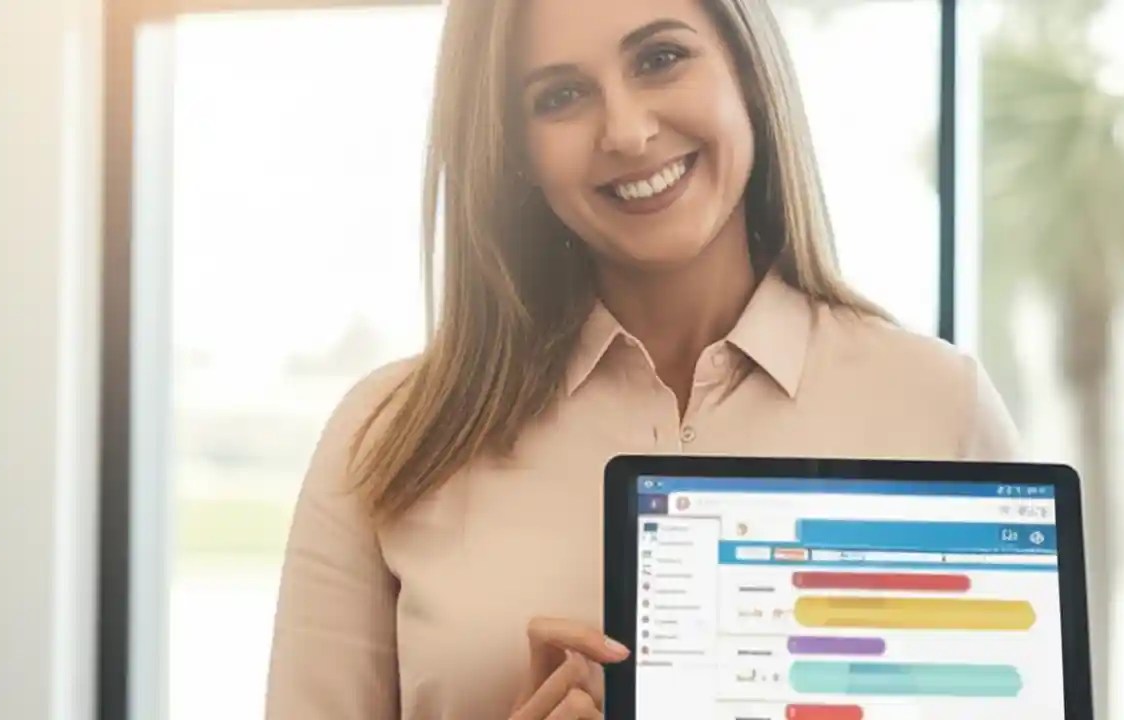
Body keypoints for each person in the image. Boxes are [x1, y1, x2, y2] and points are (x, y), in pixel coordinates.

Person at [264, 0, 1020, 717]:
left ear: (749, 71)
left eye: (661, 58)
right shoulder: (388, 439)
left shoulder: (938, 406)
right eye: (559, 97)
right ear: (512, 147)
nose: (625, 132)